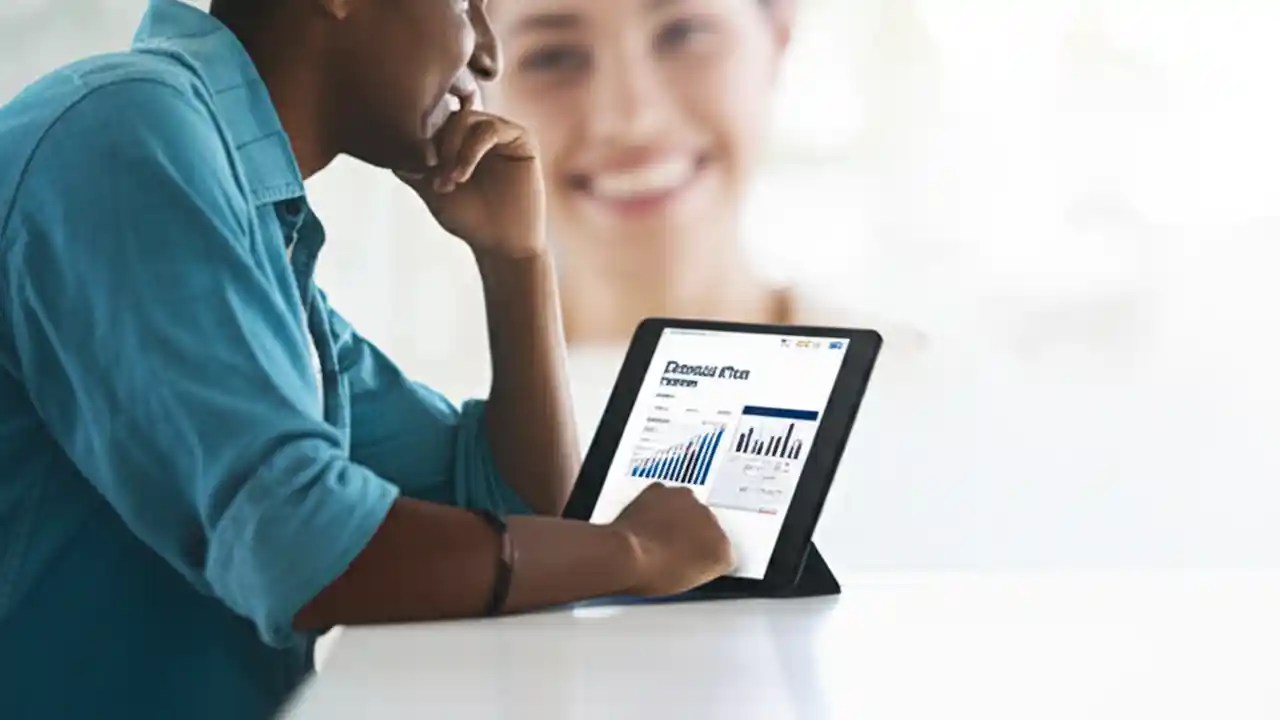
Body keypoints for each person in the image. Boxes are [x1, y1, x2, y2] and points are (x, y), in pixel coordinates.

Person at [0, 0, 732, 717]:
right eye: (467, 3)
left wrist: (517, 261)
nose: (487, 52)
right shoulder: (126, 134)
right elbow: (298, 544)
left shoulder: (244, 213)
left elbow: (510, 511)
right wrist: (631, 552)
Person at [482, 0, 923, 442]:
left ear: (778, 40)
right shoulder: (431, 438)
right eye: (551, 57)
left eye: (685, 33)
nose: (633, 120)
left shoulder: (937, 404)